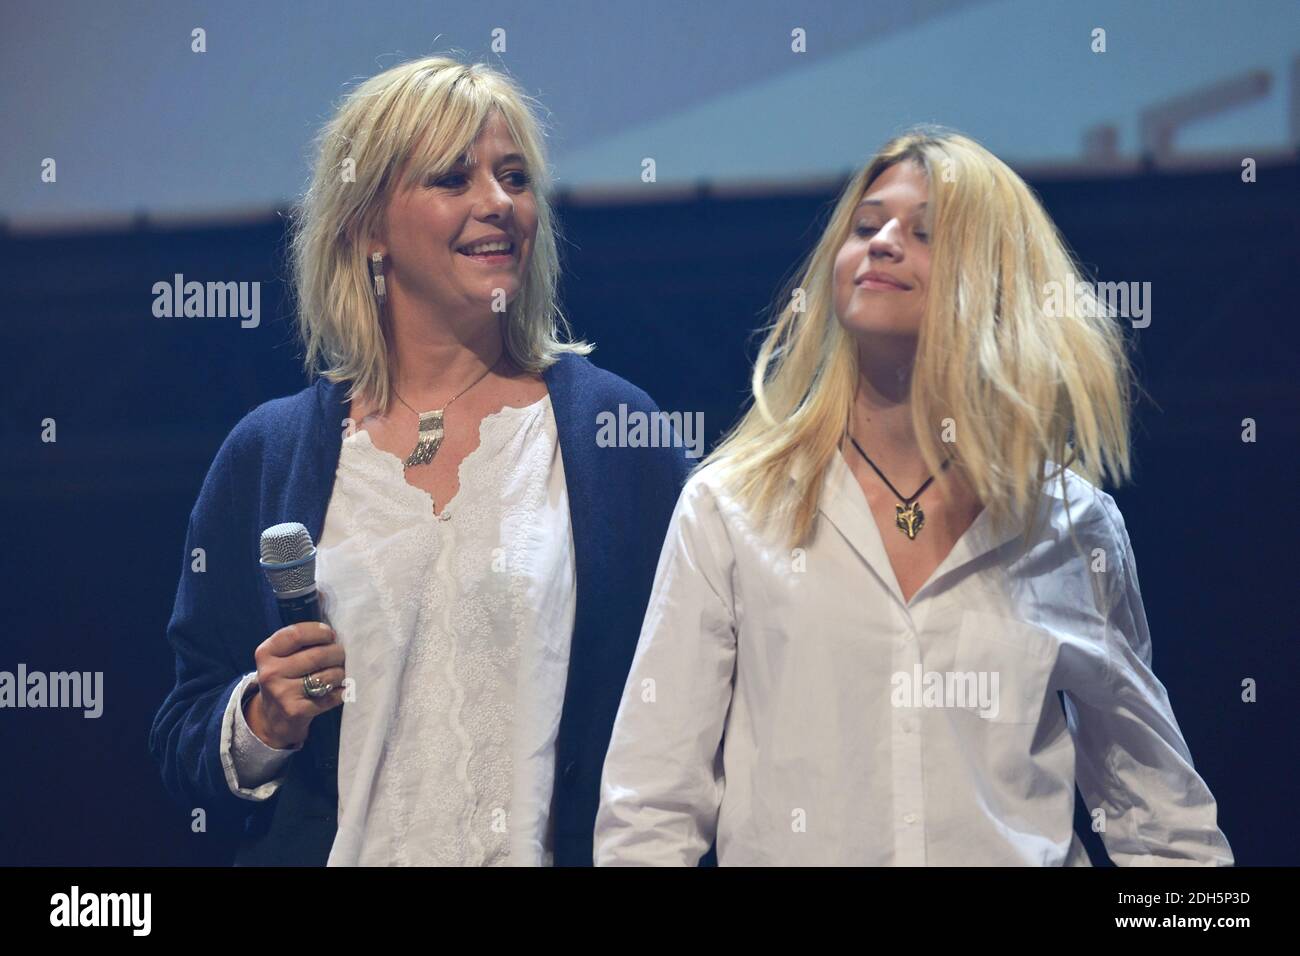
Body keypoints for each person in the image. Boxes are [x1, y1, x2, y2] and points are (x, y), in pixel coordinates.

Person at [593, 126, 1233, 866]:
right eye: (866, 226)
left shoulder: (1072, 526)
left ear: (996, 280)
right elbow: (651, 806)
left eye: (924, 232)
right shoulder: (732, 505)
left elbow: (1158, 812)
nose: (884, 243)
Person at [149, 55, 687, 866]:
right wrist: (264, 720)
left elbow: (686, 707)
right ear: (369, 228)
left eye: (514, 177)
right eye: (451, 179)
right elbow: (184, 727)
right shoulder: (267, 454)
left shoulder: (618, 436)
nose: (496, 204)